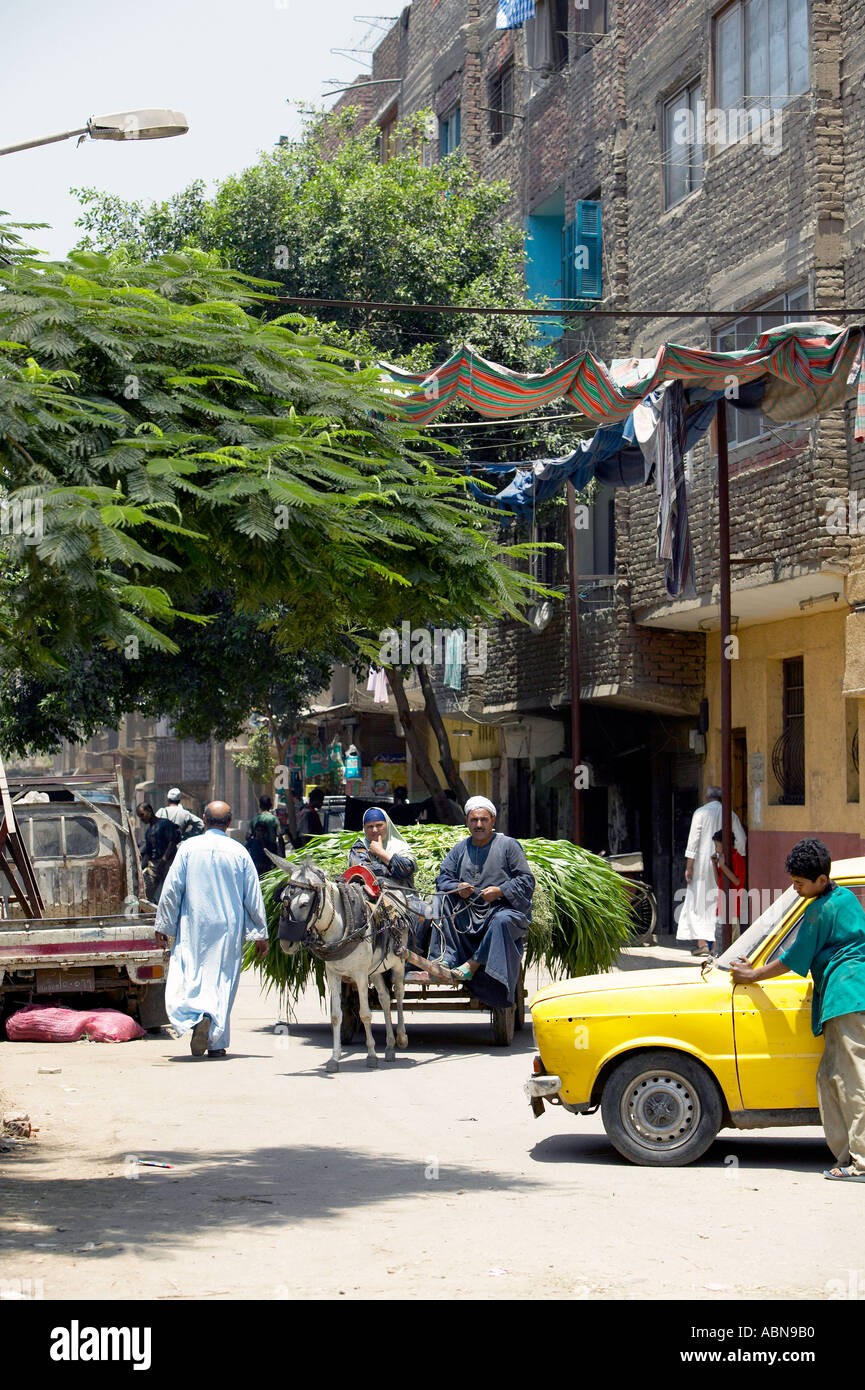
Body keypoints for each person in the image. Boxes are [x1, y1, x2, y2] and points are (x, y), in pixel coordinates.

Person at [731, 838, 865, 1181]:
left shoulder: (820, 908)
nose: (796, 888)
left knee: (852, 1080)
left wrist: (753, 974)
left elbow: (795, 958)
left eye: (799, 884)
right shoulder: (844, 897)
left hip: (846, 995)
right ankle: (847, 1156)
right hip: (848, 994)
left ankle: (861, 1162)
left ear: (821, 880)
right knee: (831, 1077)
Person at [154, 800, 268, 1058]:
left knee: (190, 975)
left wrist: (163, 924)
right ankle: (216, 1043)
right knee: (222, 982)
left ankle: (196, 1017)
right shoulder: (240, 852)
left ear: (204, 819)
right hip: (228, 928)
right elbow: (253, 896)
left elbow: (172, 890)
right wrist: (260, 933)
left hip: (193, 925)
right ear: (229, 823)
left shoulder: (188, 849)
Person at [432, 796, 535, 1009]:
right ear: (467, 822)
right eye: (474, 820)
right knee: (439, 900)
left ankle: (474, 963)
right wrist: (457, 887)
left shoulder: (508, 846)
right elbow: (442, 879)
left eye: (483, 820)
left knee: (502, 921)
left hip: (504, 911)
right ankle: (444, 958)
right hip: (469, 915)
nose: (479, 825)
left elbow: (526, 881)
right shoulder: (460, 849)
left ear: (493, 821)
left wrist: (500, 891)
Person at [677, 787, 746, 958]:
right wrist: (734, 855)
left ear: (707, 798)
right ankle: (715, 945)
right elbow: (742, 840)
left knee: (699, 903)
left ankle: (702, 944)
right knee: (719, 903)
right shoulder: (730, 813)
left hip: (703, 864)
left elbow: (692, 842)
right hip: (724, 863)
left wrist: (689, 866)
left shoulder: (700, 813)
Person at [347, 806, 417, 889]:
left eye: (379, 825)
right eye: (370, 826)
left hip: (406, 898)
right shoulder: (359, 847)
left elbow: (407, 869)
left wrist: (380, 852)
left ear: (387, 825)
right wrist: (394, 867)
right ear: (364, 828)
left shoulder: (400, 845)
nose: (374, 830)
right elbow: (362, 873)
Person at [136, 802, 181, 903]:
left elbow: (172, 842)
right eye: (139, 816)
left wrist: (164, 860)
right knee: (147, 890)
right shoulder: (148, 831)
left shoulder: (165, 824)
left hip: (169, 864)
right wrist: (140, 868)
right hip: (155, 865)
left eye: (142, 815)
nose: (141, 819)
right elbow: (148, 853)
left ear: (149, 811)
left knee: (171, 891)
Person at [711, 828, 747, 950]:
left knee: (729, 942)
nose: (716, 849)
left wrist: (723, 866)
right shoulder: (724, 859)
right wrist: (715, 865)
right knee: (720, 937)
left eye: (717, 845)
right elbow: (719, 882)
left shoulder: (736, 858)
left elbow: (736, 881)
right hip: (722, 906)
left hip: (731, 907)